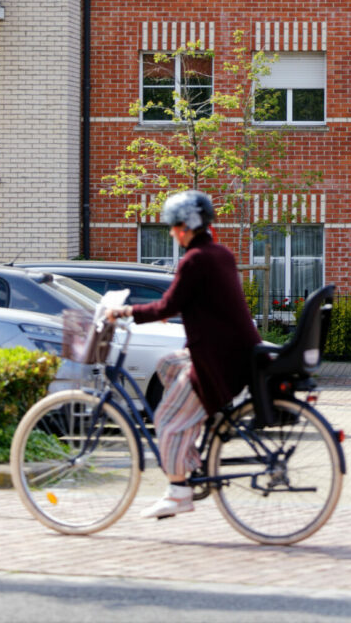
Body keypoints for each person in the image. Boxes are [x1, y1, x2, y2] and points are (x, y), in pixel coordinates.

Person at [108, 189, 261, 519]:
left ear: (186, 226)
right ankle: (194, 435)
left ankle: (178, 492)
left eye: (173, 226)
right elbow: (196, 301)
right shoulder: (220, 253)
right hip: (234, 353)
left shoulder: (196, 259)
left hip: (217, 361)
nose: (171, 232)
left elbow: (170, 304)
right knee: (167, 362)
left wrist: (125, 312)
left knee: (165, 419)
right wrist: (170, 310)